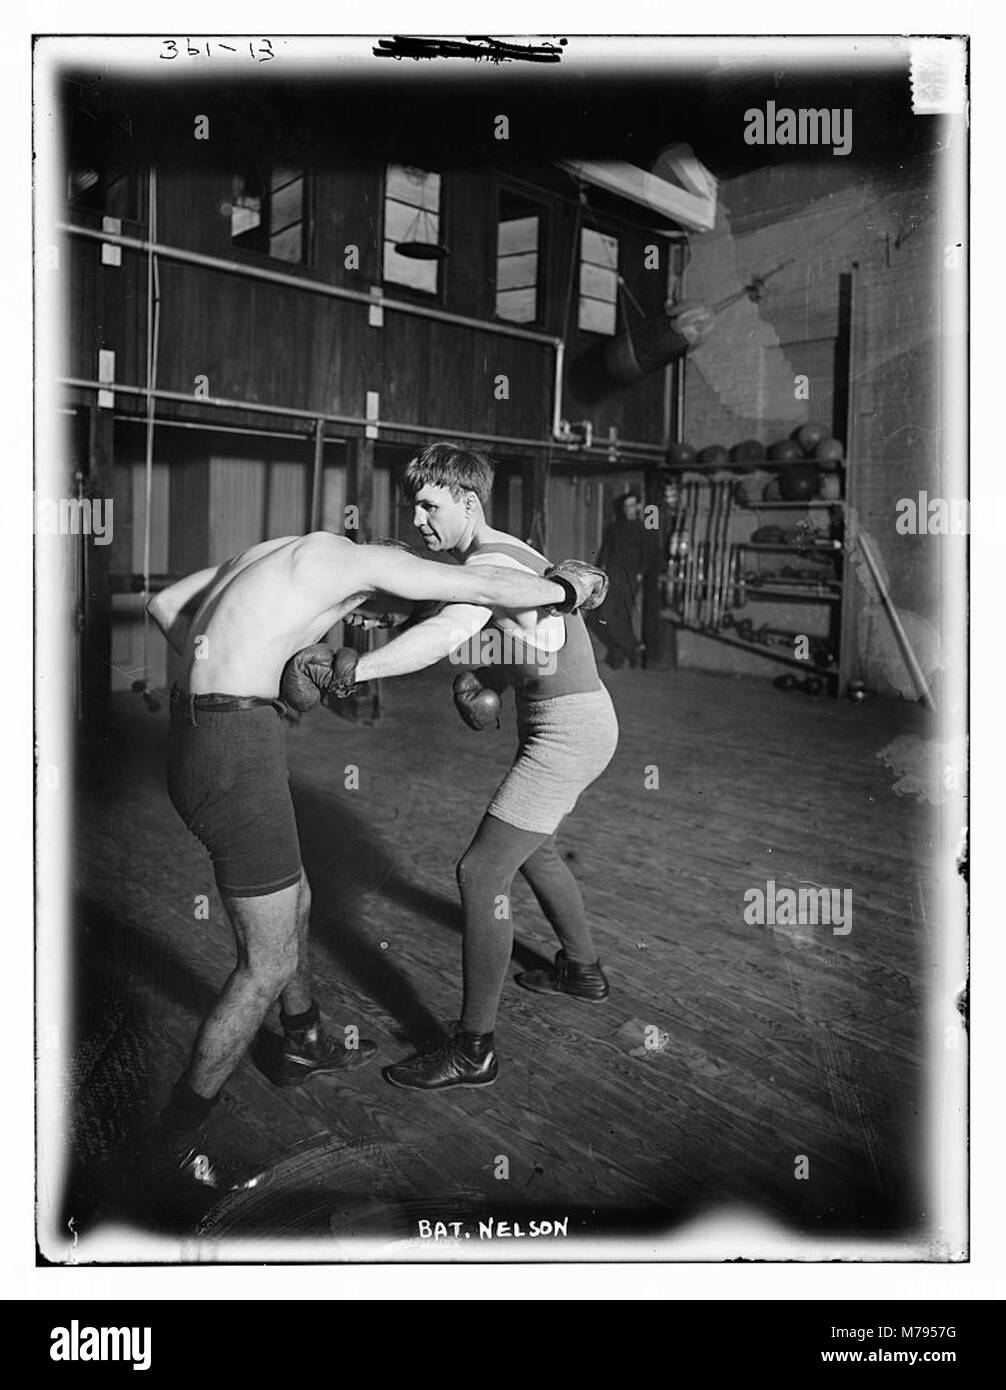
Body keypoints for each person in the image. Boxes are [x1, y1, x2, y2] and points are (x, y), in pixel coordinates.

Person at [144, 530, 605, 1190]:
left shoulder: (275, 550)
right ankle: (173, 1137)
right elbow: (482, 587)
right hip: (235, 754)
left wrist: (229, 678)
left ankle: (302, 1039)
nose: (378, 619)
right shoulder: (364, 564)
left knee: (295, 897)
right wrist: (568, 588)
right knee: (265, 964)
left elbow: (165, 606)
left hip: (199, 736)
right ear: (382, 581)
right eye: (383, 609)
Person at [319, 441, 619, 1091]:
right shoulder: (509, 551)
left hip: (568, 732)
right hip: (570, 719)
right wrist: (487, 678)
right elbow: (539, 636)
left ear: (468, 500)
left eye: (431, 506)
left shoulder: (490, 562)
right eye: (414, 508)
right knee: (533, 849)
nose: (420, 521)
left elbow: (448, 629)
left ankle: (474, 1048)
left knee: (480, 872)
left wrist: (359, 670)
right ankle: (582, 970)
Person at [588, 491, 652, 669]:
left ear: (638, 507)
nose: (628, 510)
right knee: (604, 614)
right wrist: (599, 572)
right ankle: (633, 647)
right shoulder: (614, 528)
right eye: (626, 506)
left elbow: (648, 554)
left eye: (632, 506)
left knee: (623, 616)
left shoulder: (643, 528)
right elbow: (605, 552)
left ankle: (620, 657)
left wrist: (640, 574)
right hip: (612, 576)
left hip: (630, 578)